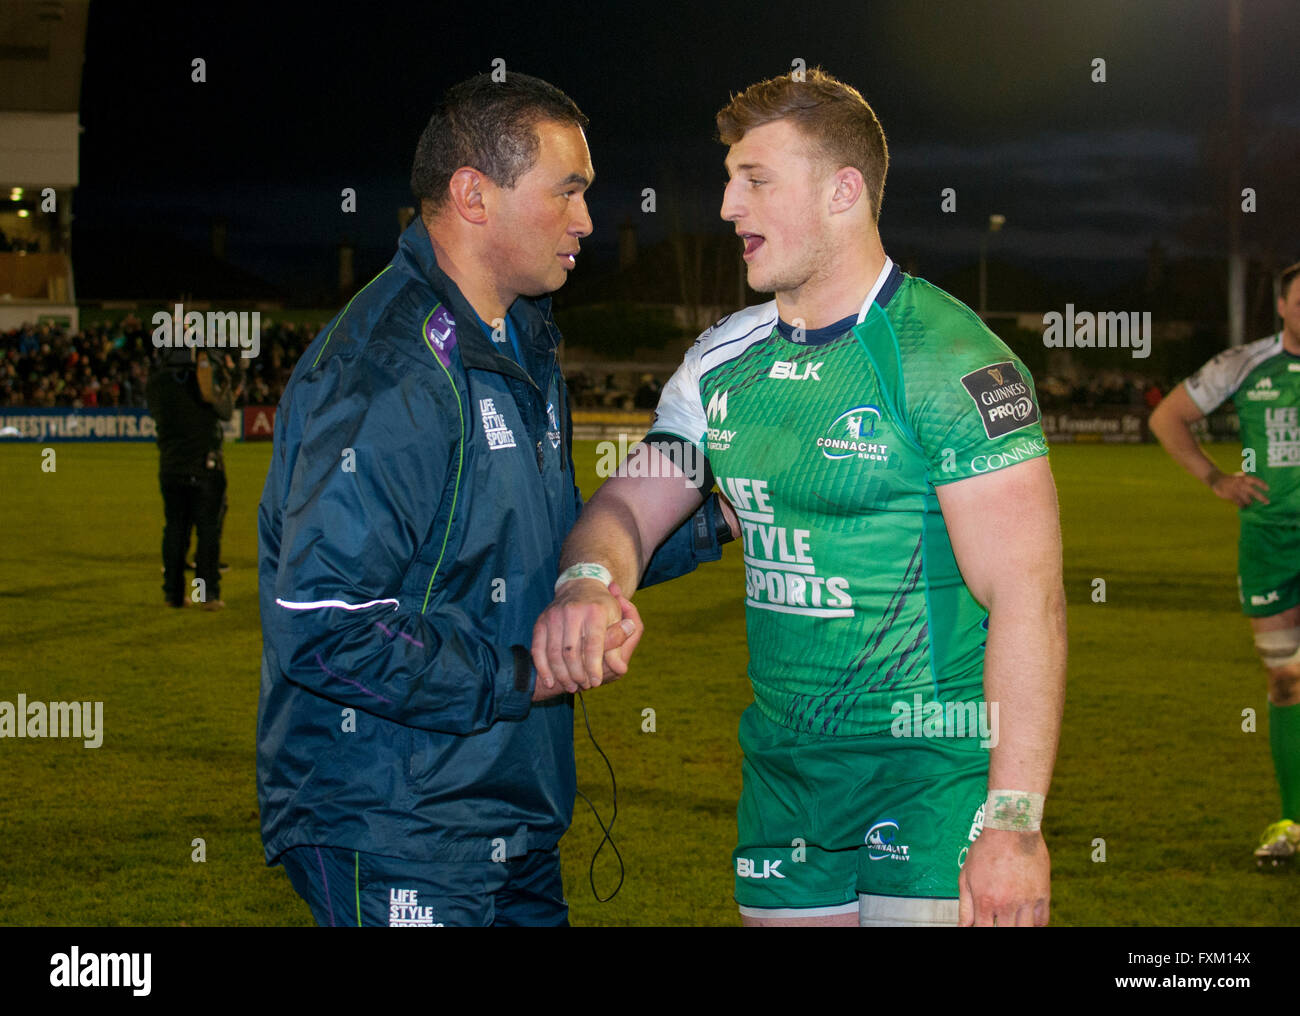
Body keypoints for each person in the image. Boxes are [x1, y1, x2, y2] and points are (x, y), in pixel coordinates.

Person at [532, 69, 1067, 927]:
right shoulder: (720, 361)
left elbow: (1028, 599)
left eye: (756, 180)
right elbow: (628, 506)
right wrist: (589, 581)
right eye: (729, 179)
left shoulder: (951, 359)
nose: (727, 207)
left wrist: (1013, 822)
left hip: (930, 771)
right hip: (786, 775)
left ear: (842, 192)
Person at [256, 73, 733, 928]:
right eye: (566, 191)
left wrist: (720, 519)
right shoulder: (390, 369)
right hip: (399, 825)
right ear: (473, 196)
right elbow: (325, 624)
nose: (587, 220)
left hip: (510, 815)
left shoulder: (519, 339)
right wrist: (524, 674)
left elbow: (542, 546)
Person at [1149, 260, 1300, 868]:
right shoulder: (1246, 363)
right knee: (1285, 682)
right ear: (1282, 306)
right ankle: (1291, 822)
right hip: (1268, 544)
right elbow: (1167, 417)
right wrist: (1216, 478)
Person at [145, 343, 232, 610]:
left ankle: (173, 595)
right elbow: (225, 410)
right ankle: (207, 595)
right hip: (204, 466)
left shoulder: (157, 383)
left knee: (174, 530)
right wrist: (226, 376)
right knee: (207, 533)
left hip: (171, 467)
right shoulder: (202, 378)